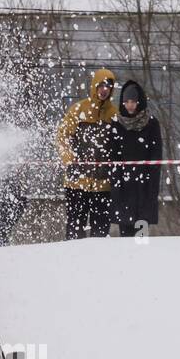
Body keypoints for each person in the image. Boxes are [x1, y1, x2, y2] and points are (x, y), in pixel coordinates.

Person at [57, 67, 118, 240]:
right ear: (95, 86)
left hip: (103, 185)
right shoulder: (78, 110)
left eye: (108, 86)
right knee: (75, 232)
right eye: (101, 85)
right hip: (77, 183)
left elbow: (119, 146)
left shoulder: (114, 115)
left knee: (100, 233)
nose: (104, 90)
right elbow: (62, 137)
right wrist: (69, 159)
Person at [108, 80, 163, 238]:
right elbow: (113, 157)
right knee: (125, 239)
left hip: (143, 190)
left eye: (133, 101)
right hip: (124, 191)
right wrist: (116, 184)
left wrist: (150, 186)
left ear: (140, 102)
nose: (130, 105)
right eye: (126, 101)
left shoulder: (151, 124)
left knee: (141, 240)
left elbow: (156, 158)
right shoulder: (116, 124)